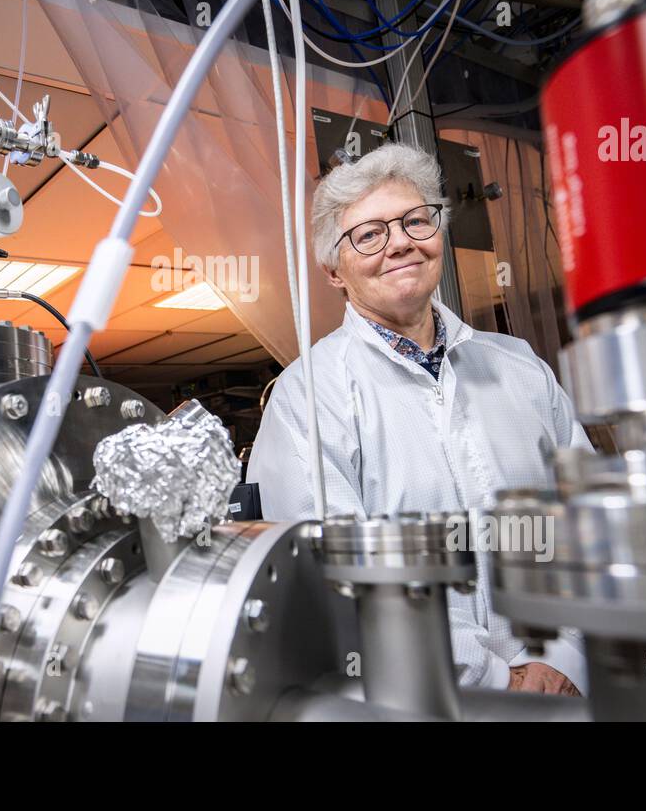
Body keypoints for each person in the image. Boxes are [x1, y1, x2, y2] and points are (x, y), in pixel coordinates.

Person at [246, 143, 587, 695]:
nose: (401, 242)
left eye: (415, 221)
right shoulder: (306, 395)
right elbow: (331, 573)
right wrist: (493, 679)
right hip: (424, 698)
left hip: (567, 686)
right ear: (333, 271)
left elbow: (583, 519)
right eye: (369, 234)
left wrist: (566, 655)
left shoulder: (520, 366)